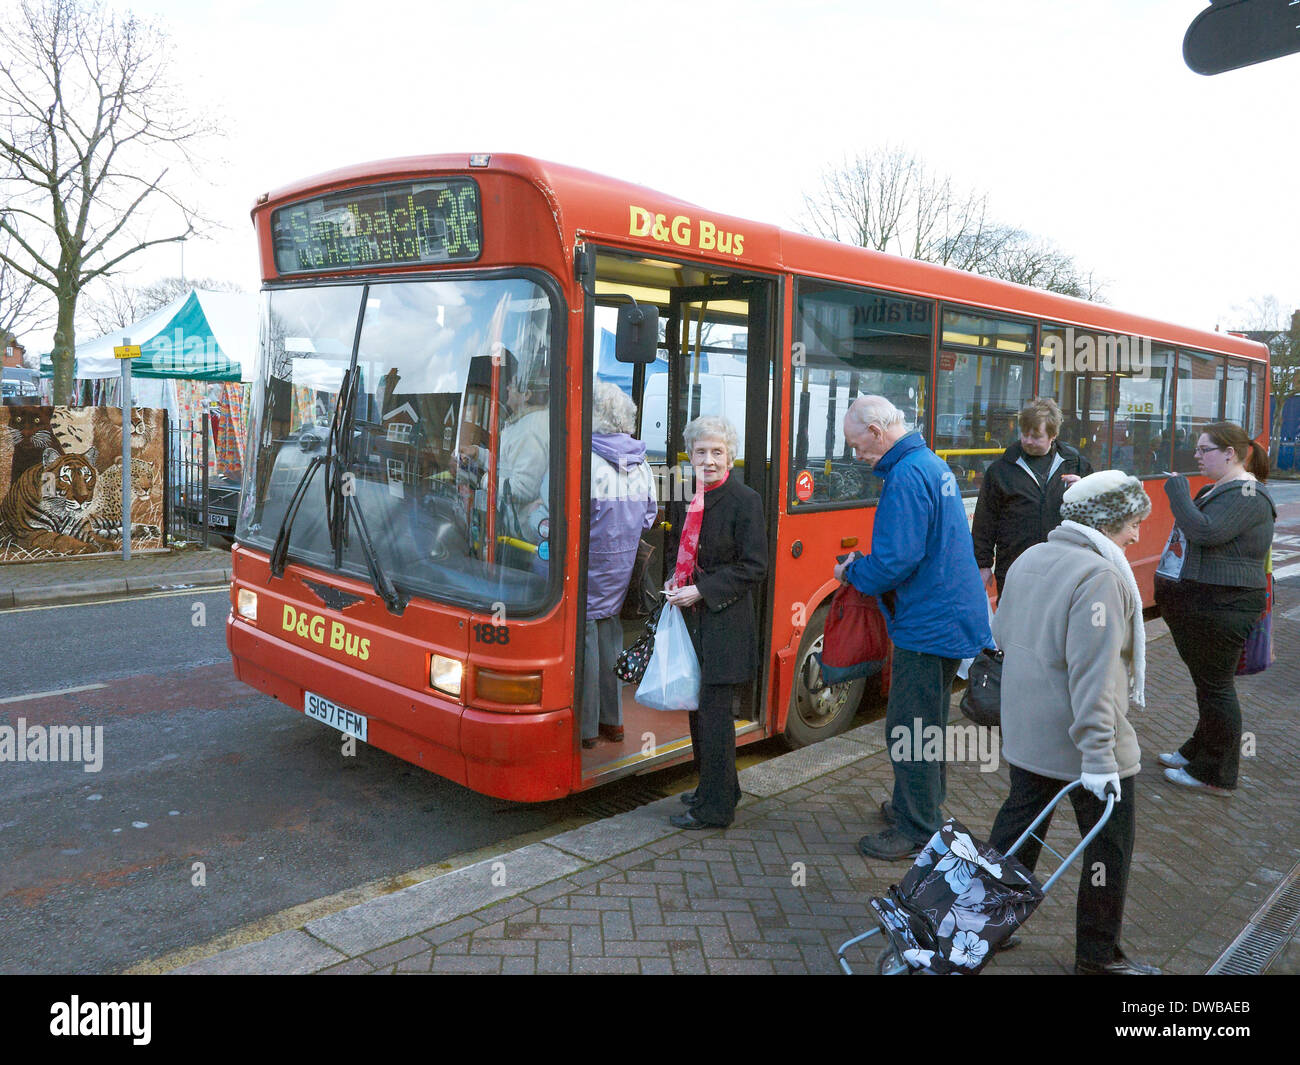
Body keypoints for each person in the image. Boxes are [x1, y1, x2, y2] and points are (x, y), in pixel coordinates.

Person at [987, 470, 1159, 975]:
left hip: (1029, 734)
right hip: (1085, 746)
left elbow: (1002, 633)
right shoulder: (1100, 577)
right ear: (1106, 522)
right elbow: (1096, 677)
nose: (1136, 535)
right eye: (1131, 523)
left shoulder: (1031, 557)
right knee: (1107, 852)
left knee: (1018, 833)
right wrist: (1101, 755)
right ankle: (1097, 958)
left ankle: (981, 926)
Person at [832, 396, 991, 860]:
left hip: (928, 623)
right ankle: (919, 805)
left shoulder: (905, 475)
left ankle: (917, 829)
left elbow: (897, 559)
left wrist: (853, 572)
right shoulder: (929, 463)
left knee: (910, 727)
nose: (857, 456)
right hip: (948, 617)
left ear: (879, 433)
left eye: (858, 445)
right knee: (930, 721)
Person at [1154, 421, 1275, 796]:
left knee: (1216, 689)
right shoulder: (1221, 490)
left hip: (1226, 605)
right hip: (1206, 604)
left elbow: (1205, 531)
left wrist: (1177, 493)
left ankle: (1217, 774)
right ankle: (1197, 752)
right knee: (1208, 687)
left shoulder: (1249, 494)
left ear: (1231, 454)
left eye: (1204, 449)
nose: (1197, 455)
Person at [665, 415, 767, 830]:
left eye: (717, 452)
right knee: (699, 711)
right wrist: (678, 578)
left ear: (730, 455)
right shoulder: (691, 495)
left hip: (726, 621)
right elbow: (687, 549)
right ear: (690, 456)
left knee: (715, 716)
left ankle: (716, 809)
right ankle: (714, 786)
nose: (708, 460)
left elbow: (755, 566)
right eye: (701, 452)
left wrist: (703, 591)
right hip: (697, 619)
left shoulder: (745, 500)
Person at [582, 382, 658, 750]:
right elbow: (649, 518)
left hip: (585, 570)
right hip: (621, 571)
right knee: (609, 634)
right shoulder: (641, 464)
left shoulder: (585, 461)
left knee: (584, 638)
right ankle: (613, 721)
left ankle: (585, 728)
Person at [971, 397, 1093, 596]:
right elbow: (985, 521)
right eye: (1024, 434)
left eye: (1036, 436)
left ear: (1053, 435)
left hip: (1063, 569)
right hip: (1015, 569)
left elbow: (1101, 515)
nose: (1028, 440)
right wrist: (982, 565)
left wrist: (1086, 490)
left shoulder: (1077, 465)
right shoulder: (1000, 470)